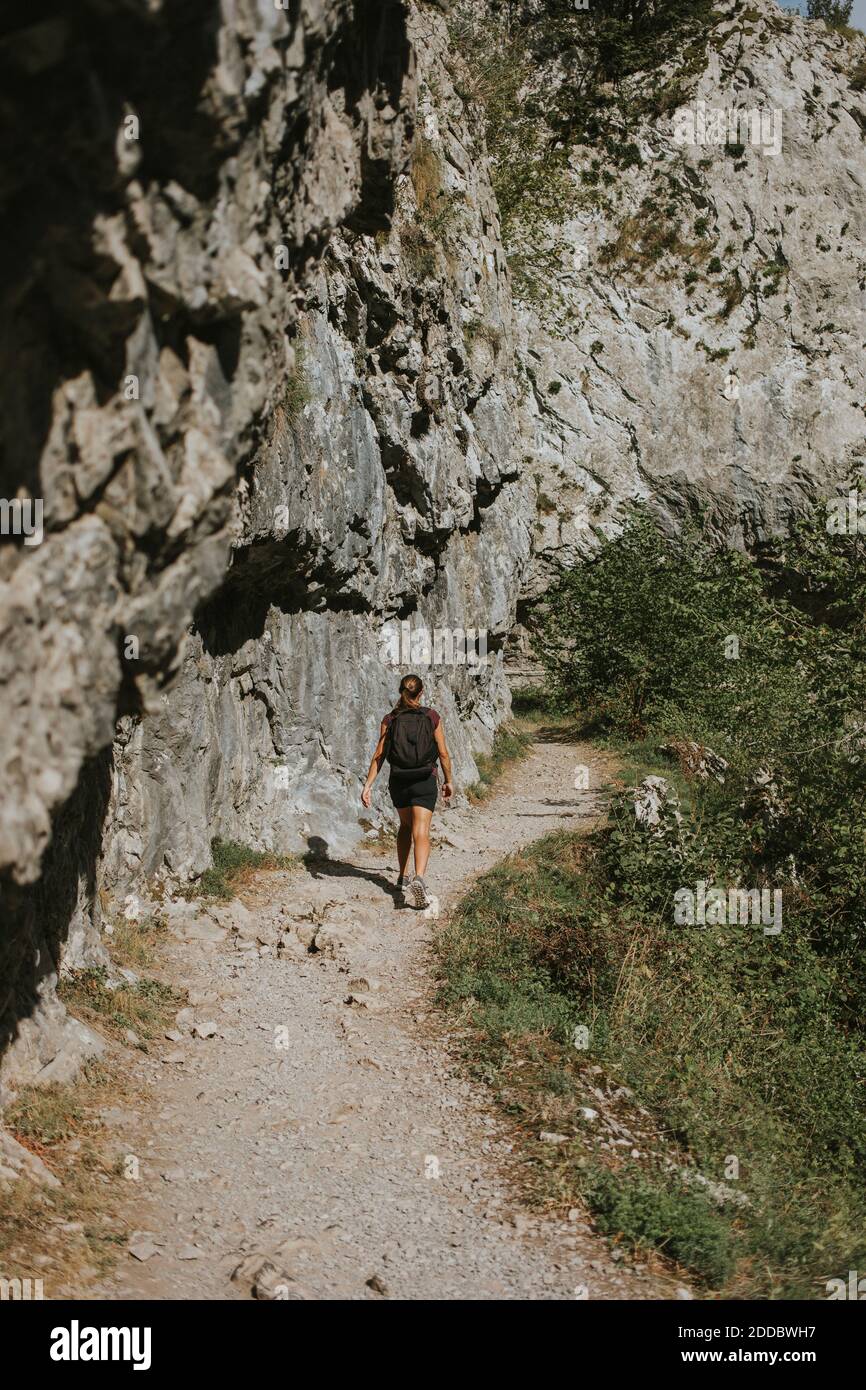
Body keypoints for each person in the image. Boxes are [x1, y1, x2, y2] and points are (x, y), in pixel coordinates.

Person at [361, 674, 453, 908]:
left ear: (400, 691)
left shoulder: (390, 719)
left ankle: (402, 876)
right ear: (420, 693)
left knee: (405, 826)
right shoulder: (431, 716)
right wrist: (448, 780)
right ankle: (419, 877)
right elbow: (442, 752)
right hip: (424, 779)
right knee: (421, 830)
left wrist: (368, 785)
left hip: (399, 780)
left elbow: (379, 755)